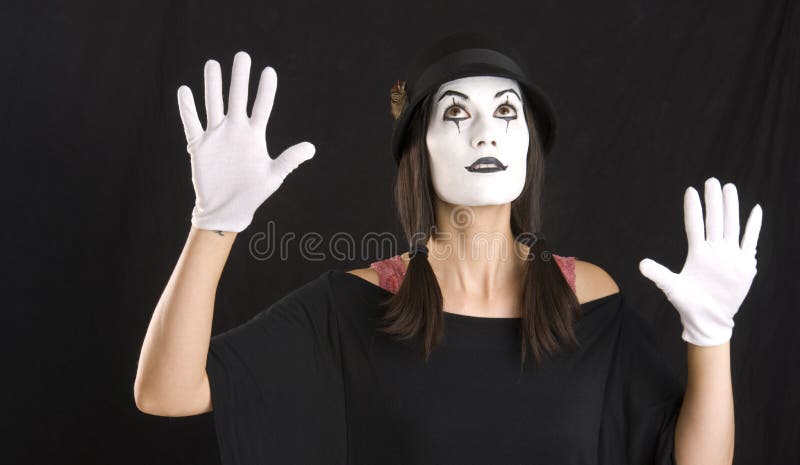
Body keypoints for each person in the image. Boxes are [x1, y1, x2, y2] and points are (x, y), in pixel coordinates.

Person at [134, 32, 763, 465]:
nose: (487, 129)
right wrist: (215, 223)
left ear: (528, 149)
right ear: (419, 149)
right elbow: (166, 392)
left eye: (507, 111)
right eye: (457, 113)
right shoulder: (353, 306)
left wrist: (710, 336)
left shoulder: (588, 300)